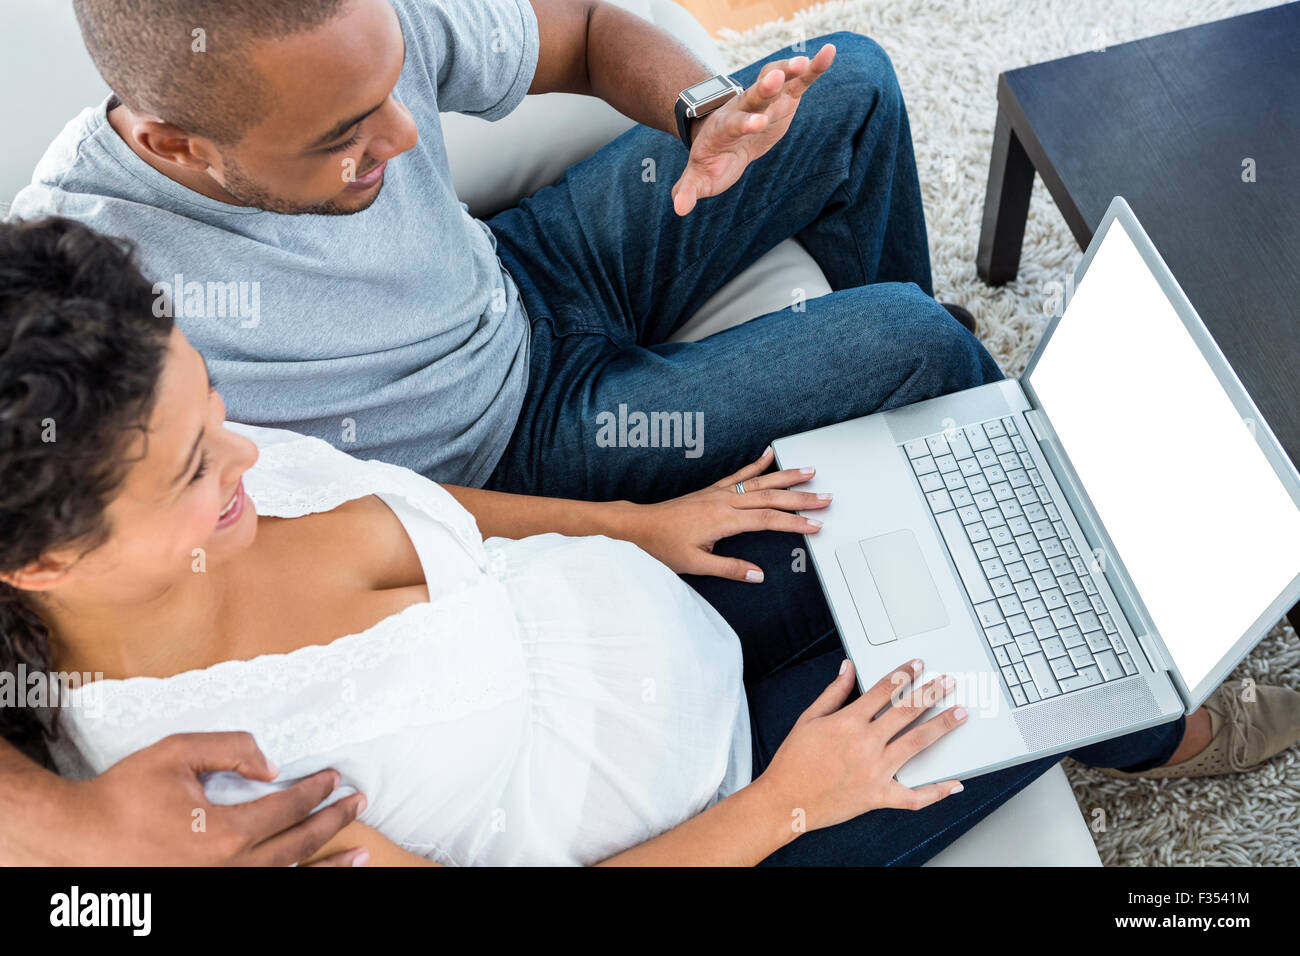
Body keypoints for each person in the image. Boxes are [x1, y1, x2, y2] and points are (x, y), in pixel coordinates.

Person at [5, 218, 1299, 866]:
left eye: (217, 414)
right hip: (735, 808)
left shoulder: (215, 473)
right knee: (1042, 679)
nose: (246, 460)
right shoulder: (215, 805)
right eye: (193, 469)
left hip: (652, 604)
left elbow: (426, 513)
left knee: (955, 501)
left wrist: (647, 523)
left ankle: (1152, 666)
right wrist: (796, 799)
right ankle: (1174, 724)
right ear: (43, 563)